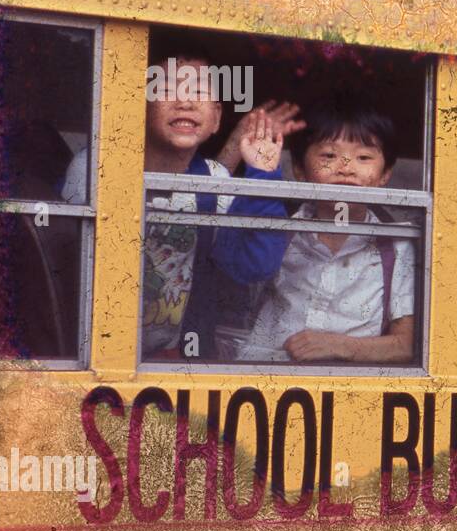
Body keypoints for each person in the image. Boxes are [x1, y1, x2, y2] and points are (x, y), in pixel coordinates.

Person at [60, 50, 291, 359]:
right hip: (92, 352)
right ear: (139, 105)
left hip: (175, 357)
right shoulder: (95, 166)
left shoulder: (214, 178)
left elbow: (253, 266)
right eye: (167, 89)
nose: (185, 102)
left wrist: (262, 174)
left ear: (216, 118)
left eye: (199, 91)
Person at [237, 102, 416, 363]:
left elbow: (408, 345)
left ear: (385, 175)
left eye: (363, 157)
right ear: (299, 169)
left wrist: (340, 345)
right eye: (328, 156)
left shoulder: (398, 247)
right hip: (260, 382)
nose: (345, 167)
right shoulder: (279, 229)